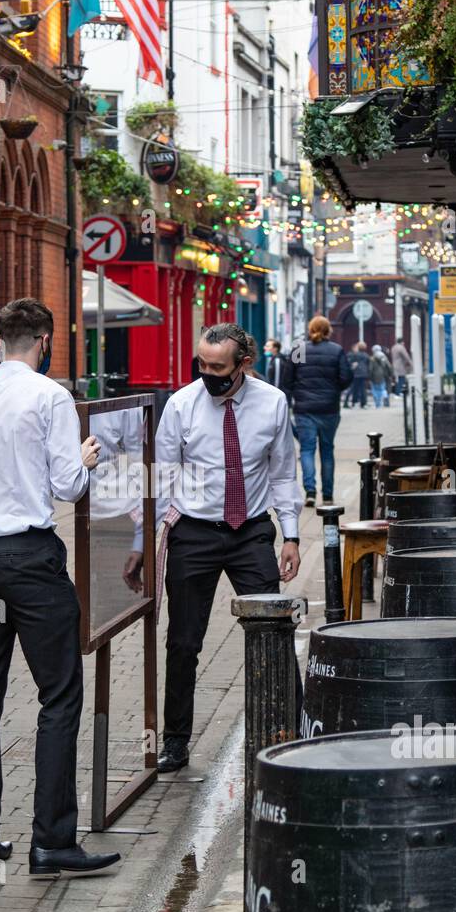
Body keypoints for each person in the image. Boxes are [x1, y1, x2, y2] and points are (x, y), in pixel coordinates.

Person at [0, 298, 120, 881]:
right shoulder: (50, 396)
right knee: (59, 695)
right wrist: (87, 459)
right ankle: (52, 842)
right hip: (31, 559)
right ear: (43, 342)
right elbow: (67, 485)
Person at [123, 322, 303, 774]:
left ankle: (294, 730)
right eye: (201, 364)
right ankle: (176, 742)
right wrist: (141, 541)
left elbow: (283, 473)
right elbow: (161, 477)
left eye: (217, 367)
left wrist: (293, 535)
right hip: (194, 534)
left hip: (251, 533)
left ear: (244, 363)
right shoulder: (181, 405)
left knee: (274, 630)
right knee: (183, 642)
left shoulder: (273, 404)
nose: (207, 373)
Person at [289, 315, 352, 507]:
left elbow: (287, 378)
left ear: (310, 330)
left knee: (307, 449)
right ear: (328, 330)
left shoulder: (298, 349)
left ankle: (309, 490)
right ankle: (328, 495)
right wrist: (334, 390)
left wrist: (296, 394)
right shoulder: (336, 350)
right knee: (327, 450)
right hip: (329, 409)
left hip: (304, 408)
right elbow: (346, 377)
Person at [264, 338, 295, 407]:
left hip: (278, 399)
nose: (265, 348)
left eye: (268, 346)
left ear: (275, 348)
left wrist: (273, 398)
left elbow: (277, 382)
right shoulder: (273, 359)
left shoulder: (277, 360)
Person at [369, 344, 393, 408]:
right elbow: (389, 366)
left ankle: (378, 404)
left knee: (375, 390)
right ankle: (386, 401)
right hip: (384, 375)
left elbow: (370, 369)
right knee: (383, 389)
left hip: (375, 376)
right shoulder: (384, 357)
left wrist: (370, 377)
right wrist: (390, 374)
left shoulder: (372, 358)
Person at [348, 341, 370, 409]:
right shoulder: (366, 355)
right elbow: (368, 364)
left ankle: (354, 402)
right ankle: (363, 403)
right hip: (364, 373)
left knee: (355, 388)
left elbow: (350, 363)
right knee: (363, 389)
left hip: (356, 373)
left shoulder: (355, 355)